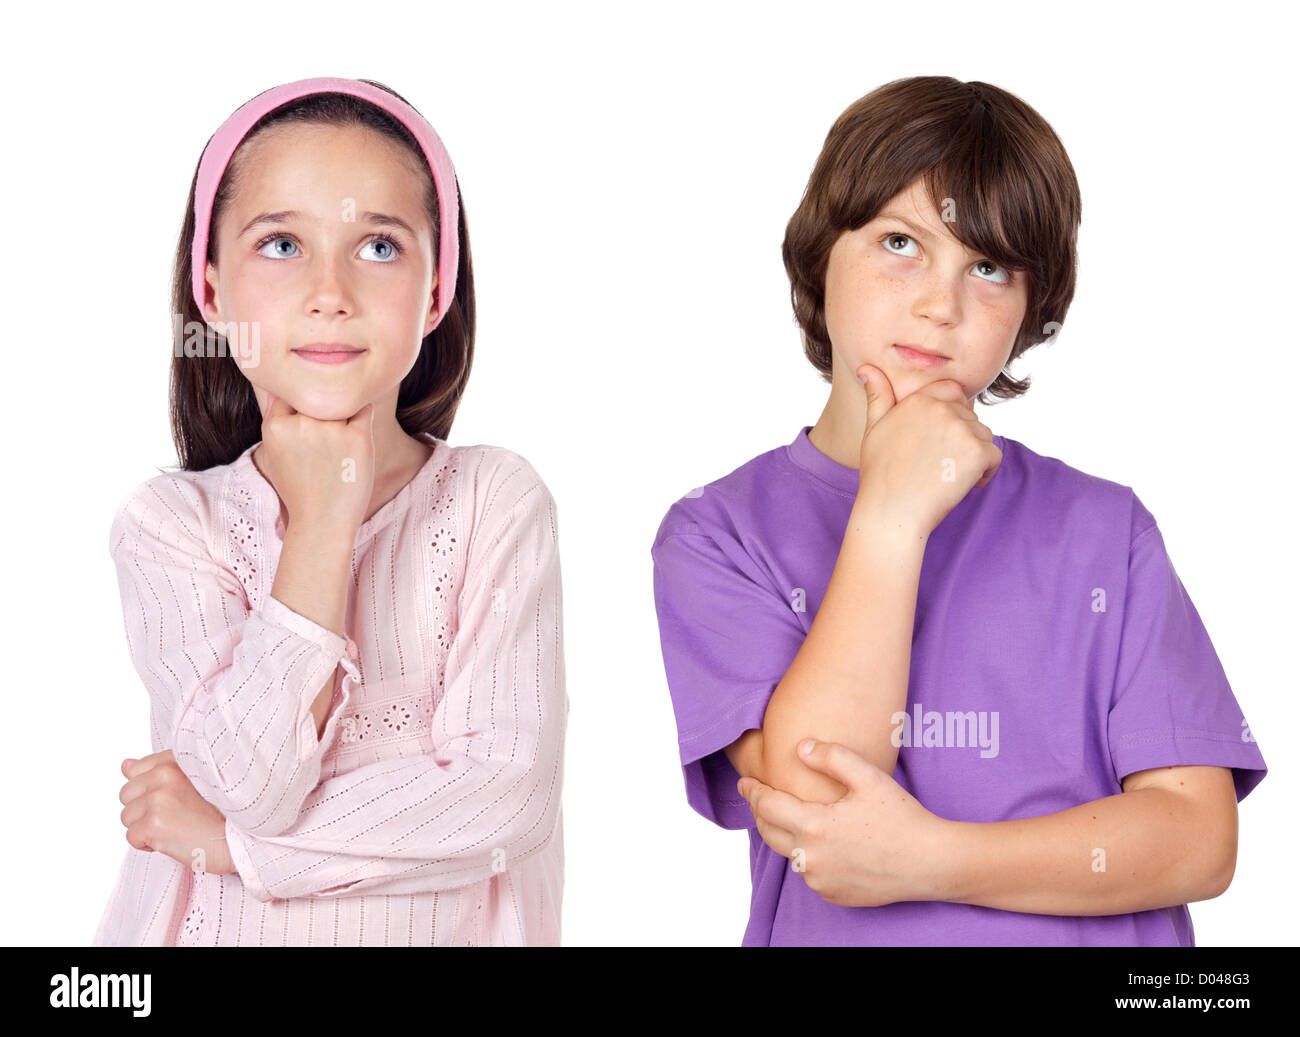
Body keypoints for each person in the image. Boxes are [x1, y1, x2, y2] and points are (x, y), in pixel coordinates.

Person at [650, 75, 1266, 946]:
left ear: (1030, 308)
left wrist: (934, 858)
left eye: (988, 267)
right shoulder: (719, 533)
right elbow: (814, 791)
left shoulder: (1105, 530)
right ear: (820, 254)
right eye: (900, 242)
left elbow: (1198, 840)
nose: (942, 304)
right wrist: (892, 516)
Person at [94, 77, 567, 946]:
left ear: (436, 291)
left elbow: (505, 798)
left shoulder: (495, 503)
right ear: (210, 289)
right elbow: (251, 777)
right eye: (280, 244)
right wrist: (323, 522)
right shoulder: (170, 525)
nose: (329, 291)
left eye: (379, 247)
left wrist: (234, 846)